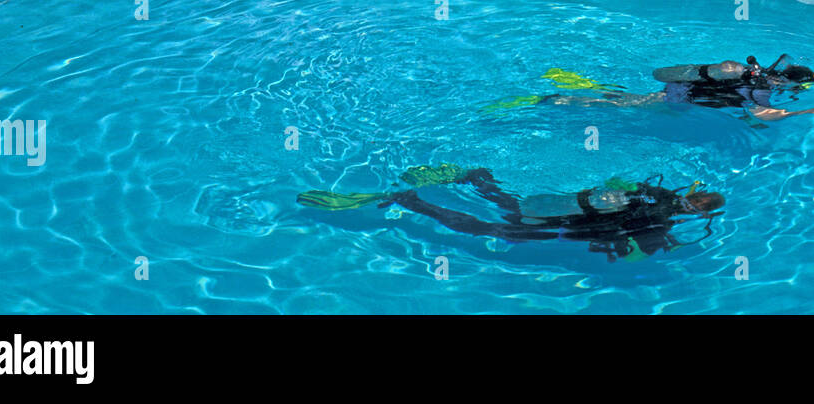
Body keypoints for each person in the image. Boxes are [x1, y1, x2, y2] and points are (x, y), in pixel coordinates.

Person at [299, 165, 725, 262]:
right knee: (489, 229)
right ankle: (412, 201)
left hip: (558, 210)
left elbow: (615, 185)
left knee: (508, 206)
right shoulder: (662, 224)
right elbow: (626, 257)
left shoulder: (654, 194)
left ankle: (477, 177)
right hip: (560, 229)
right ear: (694, 213)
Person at [514, 54, 814, 122]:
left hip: (679, 85)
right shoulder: (762, 91)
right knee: (618, 105)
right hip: (678, 98)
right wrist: (801, 111)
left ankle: (581, 82)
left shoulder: (752, 71)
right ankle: (553, 100)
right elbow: (761, 114)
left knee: (626, 95)